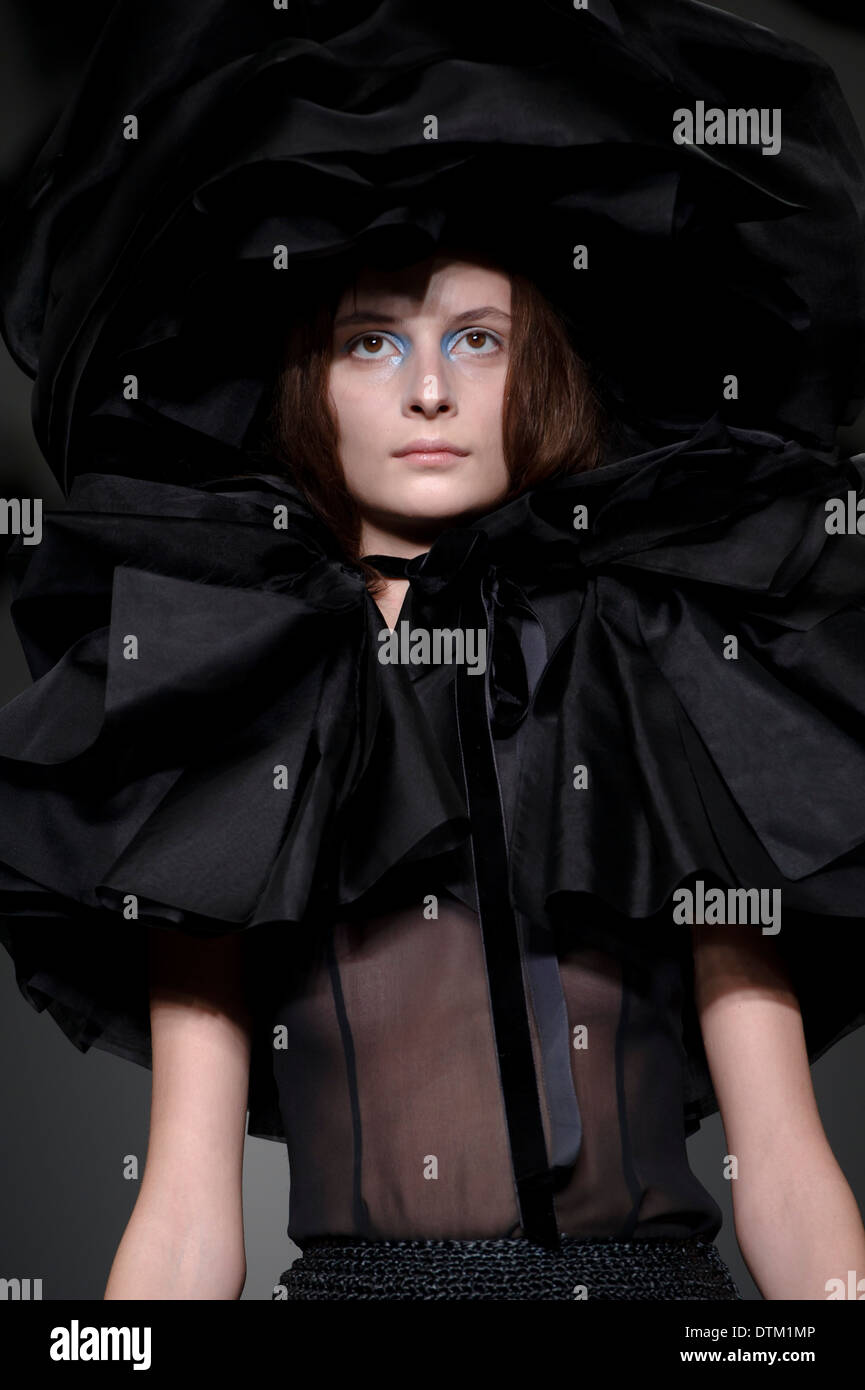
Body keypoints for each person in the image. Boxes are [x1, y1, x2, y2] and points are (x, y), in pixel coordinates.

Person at [2, 0, 865, 1302]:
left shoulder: (662, 664)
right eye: (370, 339)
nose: (425, 389)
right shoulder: (228, 699)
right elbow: (183, 1209)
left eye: (476, 336)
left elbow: (783, 1161)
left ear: (542, 373)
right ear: (309, 382)